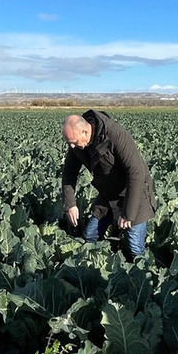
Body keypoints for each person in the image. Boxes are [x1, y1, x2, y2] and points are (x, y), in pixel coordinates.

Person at [60, 110, 158, 260]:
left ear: (85, 132)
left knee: (134, 248)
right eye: (69, 143)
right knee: (90, 236)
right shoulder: (77, 144)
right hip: (108, 194)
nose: (71, 147)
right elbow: (69, 172)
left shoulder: (115, 134)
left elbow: (136, 173)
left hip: (133, 193)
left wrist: (128, 214)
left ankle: (142, 273)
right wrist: (70, 204)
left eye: (73, 142)